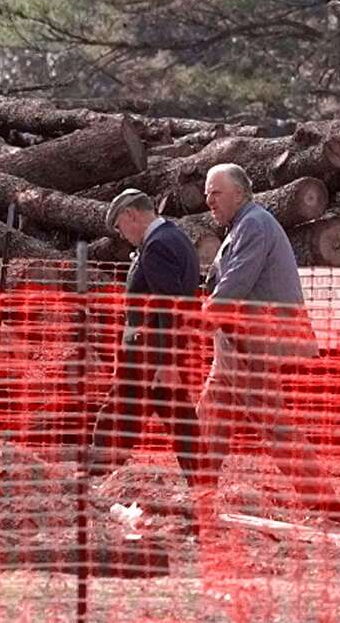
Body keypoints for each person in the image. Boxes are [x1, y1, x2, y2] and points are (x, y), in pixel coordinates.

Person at [195, 163, 340, 526]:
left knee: (272, 425)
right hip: (237, 341)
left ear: (239, 192)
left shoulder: (254, 224)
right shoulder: (243, 226)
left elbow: (236, 281)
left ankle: (326, 507)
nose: (209, 201)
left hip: (253, 343)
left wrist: (203, 314)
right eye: (206, 194)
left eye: (216, 192)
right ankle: (200, 495)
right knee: (209, 418)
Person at [89, 188, 204, 492]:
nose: (120, 233)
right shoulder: (173, 238)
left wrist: (168, 361)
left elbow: (169, 305)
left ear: (131, 215)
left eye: (119, 225)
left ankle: (97, 481)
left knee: (117, 415)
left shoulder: (157, 246)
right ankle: (202, 483)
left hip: (148, 351)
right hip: (155, 349)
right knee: (178, 420)